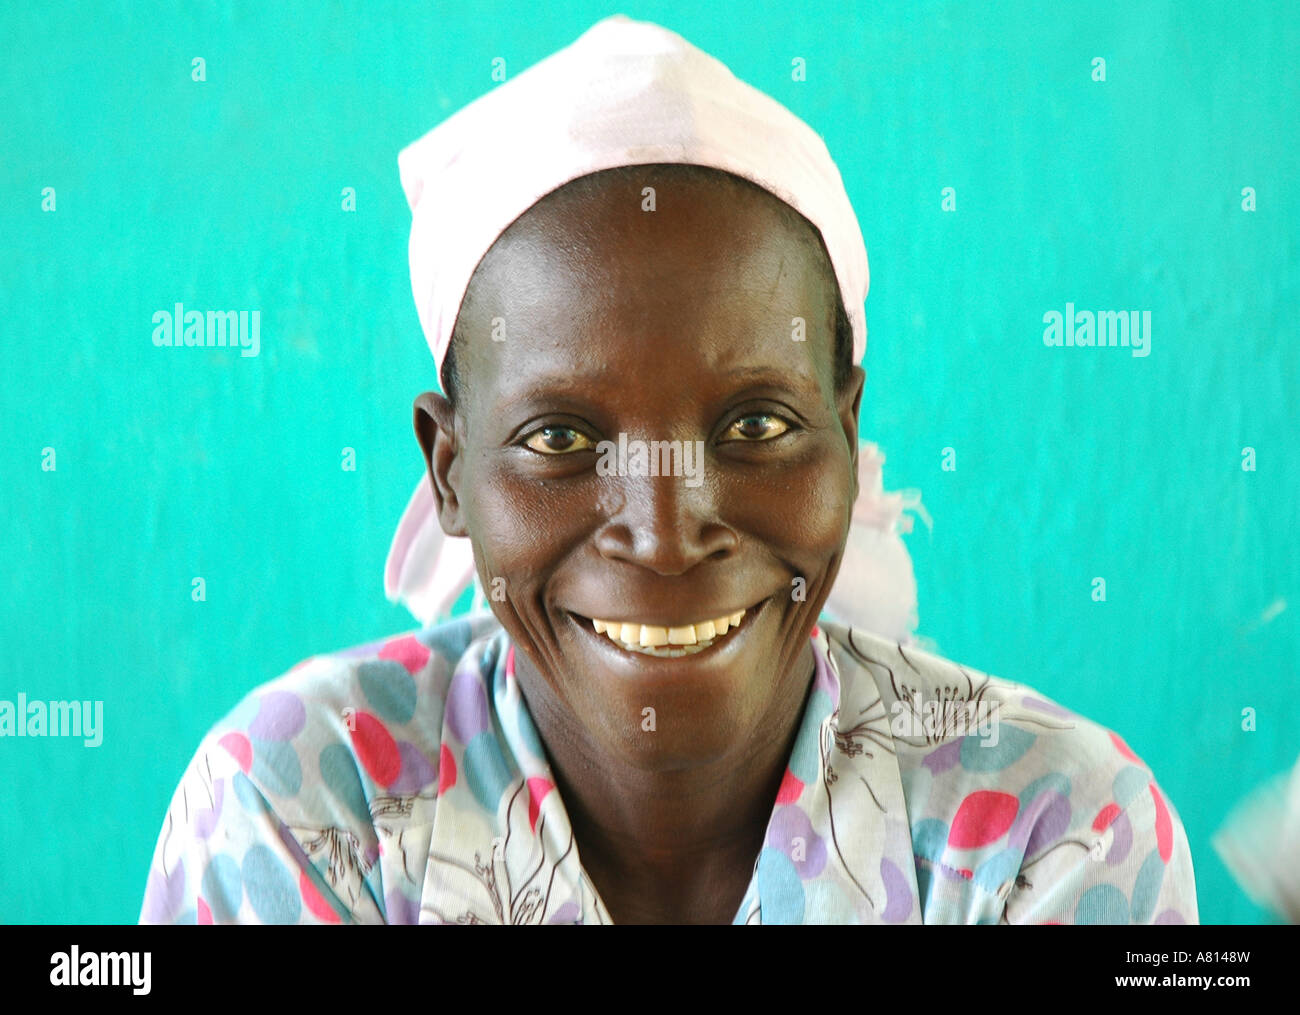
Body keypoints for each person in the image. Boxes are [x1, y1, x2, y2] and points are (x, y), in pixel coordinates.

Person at [139, 15, 1197, 925]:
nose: (663, 526)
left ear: (845, 430)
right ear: (450, 470)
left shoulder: (1054, 833)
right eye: (560, 440)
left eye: (754, 424)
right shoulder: (303, 812)